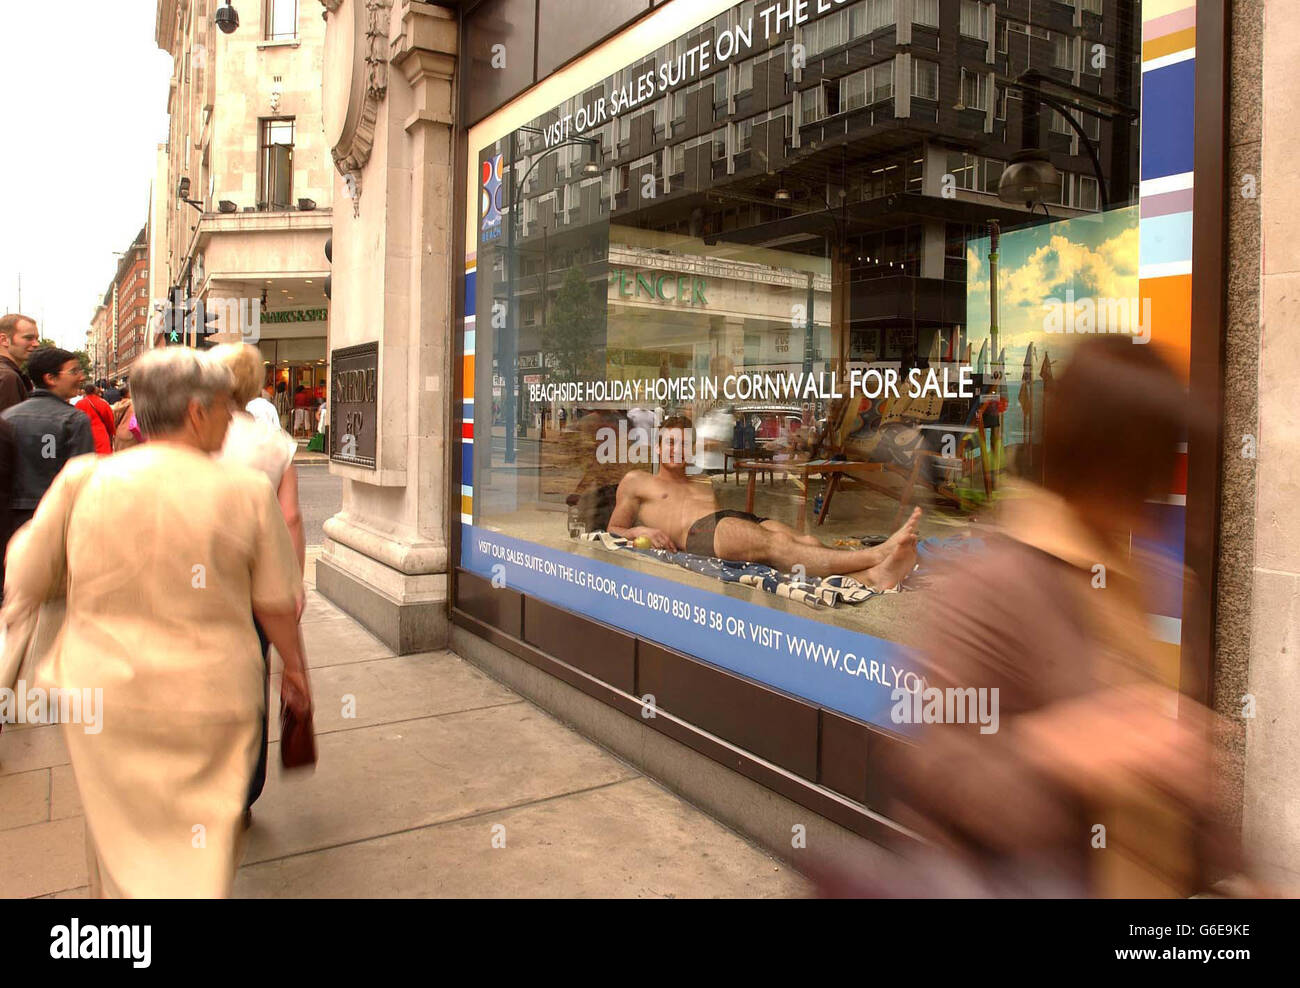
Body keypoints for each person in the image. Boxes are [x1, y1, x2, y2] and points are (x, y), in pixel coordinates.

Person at [882, 337, 1241, 897]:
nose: (1163, 485)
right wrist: (1061, 751)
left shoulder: (1159, 582)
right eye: (1152, 460)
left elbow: (1186, 792)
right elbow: (934, 764)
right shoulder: (995, 580)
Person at [0, 347, 311, 897]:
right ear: (197, 412)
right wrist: (295, 671)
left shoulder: (83, 479)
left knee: (117, 839)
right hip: (209, 699)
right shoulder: (245, 492)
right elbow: (276, 604)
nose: (227, 420)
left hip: (101, 699)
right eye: (222, 409)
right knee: (198, 848)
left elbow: (23, 572)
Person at [606, 415, 919, 590]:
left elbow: (726, 523)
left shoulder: (702, 482)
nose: (677, 449)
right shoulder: (638, 480)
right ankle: (877, 554)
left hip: (727, 523)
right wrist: (637, 532)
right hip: (699, 534)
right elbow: (614, 528)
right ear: (658, 448)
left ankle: (872, 576)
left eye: (684, 443)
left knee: (805, 540)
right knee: (778, 549)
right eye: (671, 442)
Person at [210, 344, 305, 822]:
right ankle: (242, 790)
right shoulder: (274, 444)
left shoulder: (192, 437)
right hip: (257, 582)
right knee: (252, 679)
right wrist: (295, 582)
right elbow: (289, 519)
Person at [1, 347, 94, 539]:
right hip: (56, 519)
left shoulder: (7, 417)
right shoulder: (74, 419)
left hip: (12, 518)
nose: (81, 377)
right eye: (74, 371)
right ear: (50, 378)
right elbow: (82, 480)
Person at [0, 313, 39, 413]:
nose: (36, 344)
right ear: (4, 340)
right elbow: (10, 424)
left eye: (36, 338)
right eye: (28, 338)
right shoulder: (7, 377)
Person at [75, 383, 116, 455]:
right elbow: (110, 420)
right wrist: (111, 433)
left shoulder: (78, 404)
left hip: (84, 436)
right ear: (94, 391)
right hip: (100, 434)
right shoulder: (103, 403)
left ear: (84, 392)